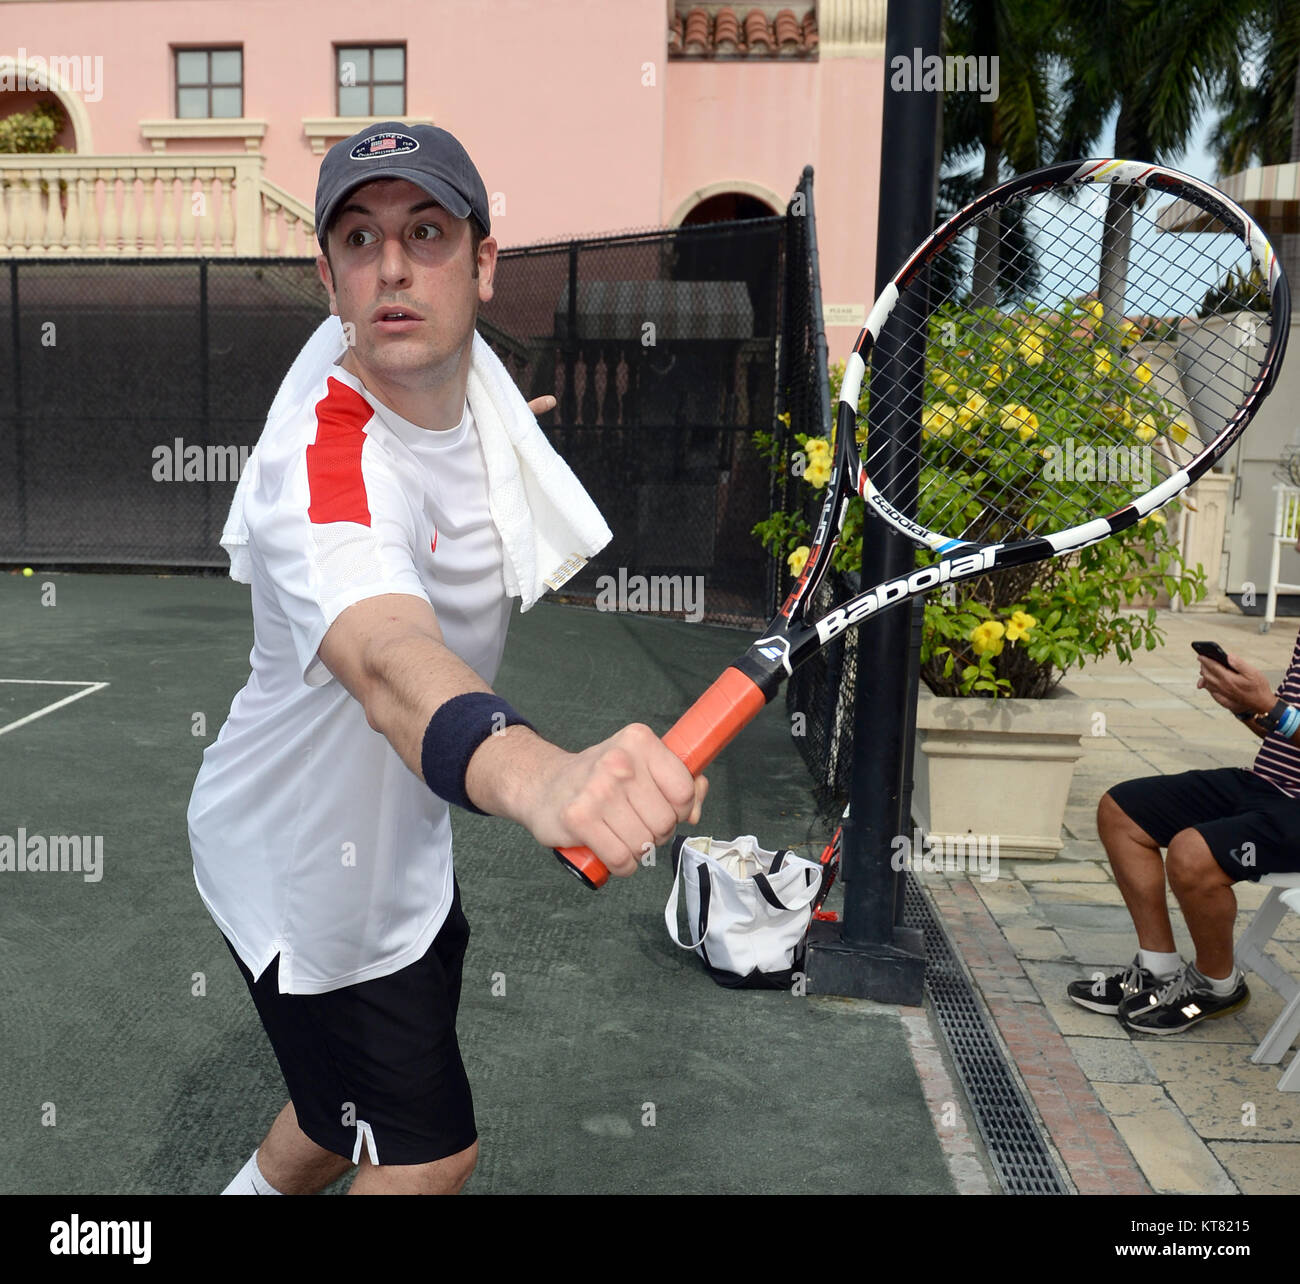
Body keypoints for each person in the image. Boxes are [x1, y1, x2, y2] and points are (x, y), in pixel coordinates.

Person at [187, 121, 707, 1196]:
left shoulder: (474, 399)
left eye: (425, 232)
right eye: (361, 239)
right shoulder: (323, 463)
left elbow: (478, 426)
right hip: (302, 872)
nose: (392, 265)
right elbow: (386, 659)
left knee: (337, 1124)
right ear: (328, 278)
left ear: (482, 263)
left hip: (397, 854)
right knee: (428, 1157)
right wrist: (538, 773)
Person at [1068, 608, 1300, 1035]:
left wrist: (1271, 705)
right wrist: (1244, 707)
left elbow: (1287, 718)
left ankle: (1218, 984)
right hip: (1269, 784)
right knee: (1121, 811)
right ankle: (1157, 968)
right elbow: (1286, 730)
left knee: (1192, 854)